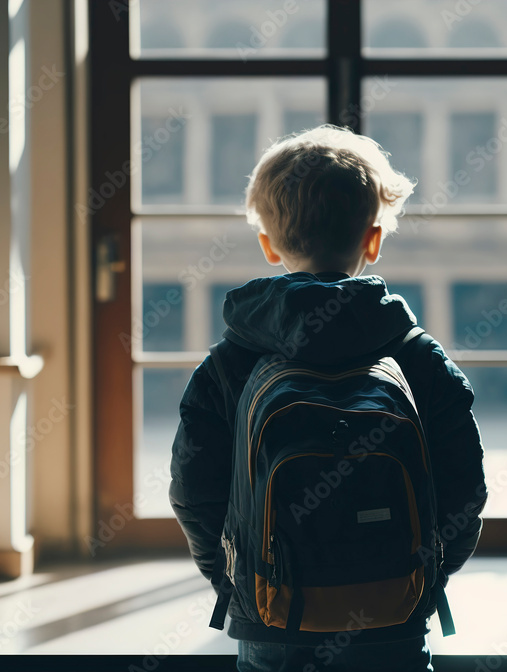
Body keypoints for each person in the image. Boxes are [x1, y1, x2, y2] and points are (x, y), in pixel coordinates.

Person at [169, 125, 487, 672]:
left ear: (268, 244)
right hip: (394, 612)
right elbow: (465, 489)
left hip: (274, 616)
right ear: (374, 239)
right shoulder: (417, 357)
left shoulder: (230, 364)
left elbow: (193, 493)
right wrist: (425, 575)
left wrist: (239, 582)